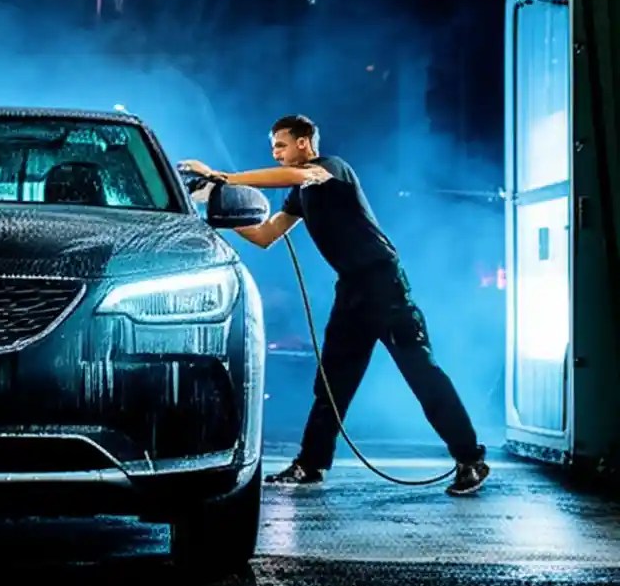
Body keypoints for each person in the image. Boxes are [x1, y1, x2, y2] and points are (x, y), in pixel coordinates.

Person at [178, 114, 491, 496]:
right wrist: (213, 202)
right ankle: (310, 465)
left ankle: (470, 460)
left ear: (304, 142)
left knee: (421, 374)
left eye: (281, 145)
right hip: (352, 293)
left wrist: (222, 176)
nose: (276, 153)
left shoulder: (330, 169)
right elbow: (266, 235)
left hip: (384, 285)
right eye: (273, 146)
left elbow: (298, 176)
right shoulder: (299, 193)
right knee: (331, 383)